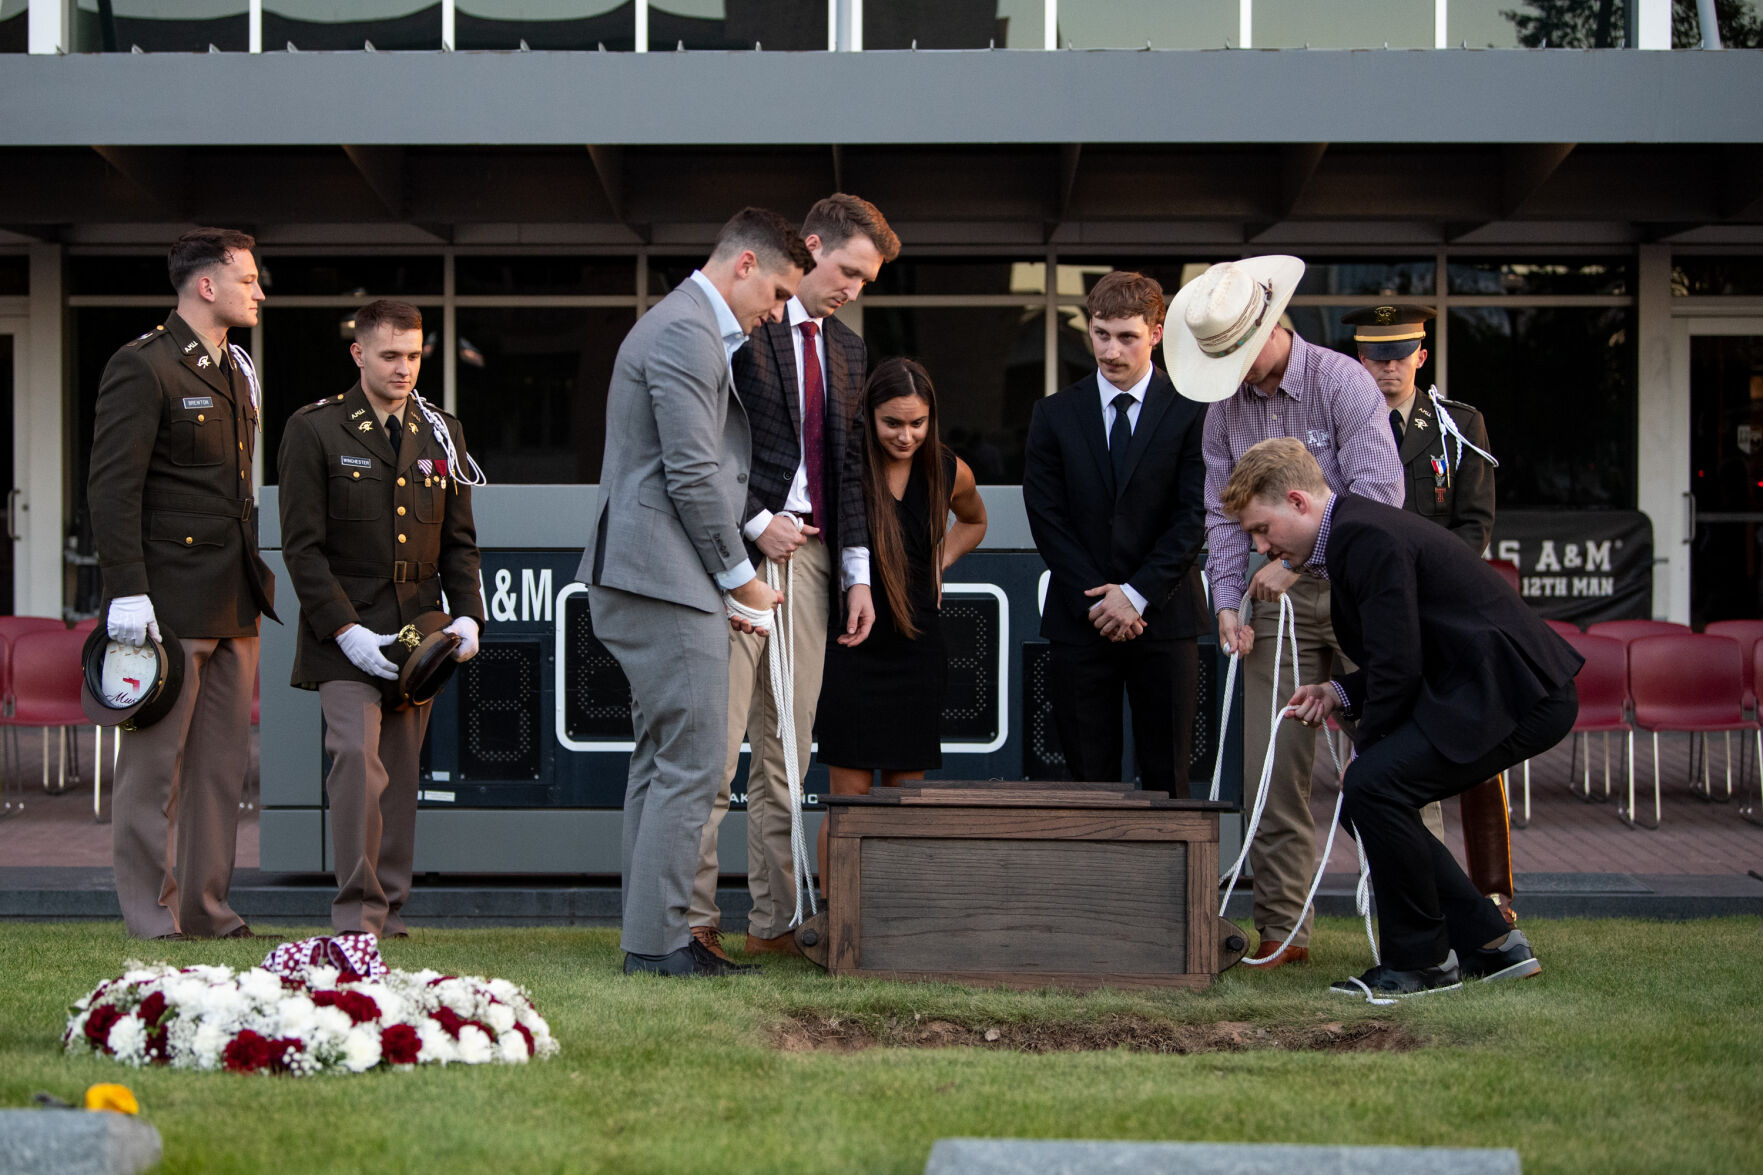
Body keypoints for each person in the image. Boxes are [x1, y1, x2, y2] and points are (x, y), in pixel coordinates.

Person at [1222, 437, 1580, 997]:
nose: (1261, 546)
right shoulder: (1356, 534)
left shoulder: (1363, 537)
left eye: (1261, 529)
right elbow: (1405, 651)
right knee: (1372, 791)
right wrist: (1339, 691)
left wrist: (1371, 748)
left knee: (1373, 786)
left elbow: (1401, 663)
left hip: (1516, 692)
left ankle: (1422, 963)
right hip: (1496, 686)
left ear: (1297, 502)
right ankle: (1489, 942)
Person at [577, 208, 808, 978]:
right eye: (775, 292)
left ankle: (652, 938)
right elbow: (690, 473)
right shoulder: (684, 331)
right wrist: (742, 582)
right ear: (744, 264)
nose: (775, 312)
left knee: (662, 759)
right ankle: (662, 943)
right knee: (697, 760)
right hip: (660, 578)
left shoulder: (684, 327)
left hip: (650, 574)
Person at [1172, 256, 1404, 969]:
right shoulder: (1222, 411)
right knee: (1272, 767)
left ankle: (1411, 921)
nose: (1232, 372)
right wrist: (1226, 599)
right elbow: (1220, 514)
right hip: (1273, 601)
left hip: (1364, 586)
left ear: (1269, 329)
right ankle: (1283, 930)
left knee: (1397, 755)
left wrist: (1293, 558)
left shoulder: (1342, 383)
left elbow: (1377, 495)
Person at [689, 195, 900, 963]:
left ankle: (773, 921)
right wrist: (753, 521)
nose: (852, 288)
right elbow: (703, 444)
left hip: (812, 560)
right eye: (847, 270)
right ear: (810, 248)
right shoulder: (745, 326)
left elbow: (849, 471)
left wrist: (856, 575)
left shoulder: (849, 351)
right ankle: (692, 919)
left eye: (865, 280)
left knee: (788, 751)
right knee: (714, 749)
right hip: (733, 555)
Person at [88, 227, 278, 941]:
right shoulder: (144, 366)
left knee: (221, 774)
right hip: (165, 602)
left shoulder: (237, 368)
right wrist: (126, 588)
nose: (259, 291)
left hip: (233, 597)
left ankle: (207, 910)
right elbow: (112, 488)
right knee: (153, 770)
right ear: (207, 285)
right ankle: (151, 916)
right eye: (248, 278)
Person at [277, 299, 485, 939]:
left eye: (415, 356)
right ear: (358, 353)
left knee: (398, 778)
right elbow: (301, 548)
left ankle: (390, 911)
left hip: (417, 636)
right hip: (344, 636)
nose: (404, 369)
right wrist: (344, 628)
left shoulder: (440, 430)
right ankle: (356, 916)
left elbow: (458, 541)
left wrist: (470, 615)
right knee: (356, 764)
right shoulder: (316, 429)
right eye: (390, 355)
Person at [1344, 303, 1515, 927]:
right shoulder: (1345, 423)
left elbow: (1474, 523)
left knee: (1426, 764)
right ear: (1358, 360)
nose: (1386, 368)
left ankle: (1447, 913)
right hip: (1364, 611)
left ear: (1421, 356)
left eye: (1398, 356)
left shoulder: (1456, 424)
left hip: (1435, 614)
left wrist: (1428, 586)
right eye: (1373, 357)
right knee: (1374, 769)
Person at [1023, 270, 1208, 795]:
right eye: (1100, 333)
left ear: (1156, 332)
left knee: (1168, 777)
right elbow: (1046, 517)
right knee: (1088, 780)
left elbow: (1191, 516)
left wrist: (1136, 594)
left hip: (1165, 617)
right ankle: (1099, 881)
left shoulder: (1193, 409)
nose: (1110, 349)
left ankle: (1165, 882)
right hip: (1081, 619)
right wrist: (1104, 602)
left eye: (1127, 336)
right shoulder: (1054, 414)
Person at [815, 358, 987, 876]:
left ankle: (889, 915)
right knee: (848, 800)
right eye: (893, 423)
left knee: (904, 799)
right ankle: (833, 913)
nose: (906, 435)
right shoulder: (845, 468)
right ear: (868, 416)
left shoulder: (949, 469)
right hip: (851, 642)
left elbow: (975, 520)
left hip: (917, 644)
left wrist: (940, 559)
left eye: (918, 423)